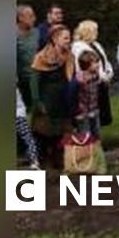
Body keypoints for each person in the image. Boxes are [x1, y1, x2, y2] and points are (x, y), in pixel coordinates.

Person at [30, 24, 74, 169]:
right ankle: (44, 162)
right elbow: (35, 82)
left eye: (69, 38)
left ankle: (59, 159)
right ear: (55, 39)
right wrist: (37, 101)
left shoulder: (69, 56)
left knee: (62, 131)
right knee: (45, 132)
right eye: (65, 38)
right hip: (47, 98)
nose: (69, 40)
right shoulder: (41, 57)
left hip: (63, 97)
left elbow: (69, 76)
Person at [71, 19, 114, 127]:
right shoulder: (79, 47)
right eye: (95, 30)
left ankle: (96, 137)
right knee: (91, 114)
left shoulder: (96, 44)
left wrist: (109, 72)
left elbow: (104, 60)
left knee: (99, 114)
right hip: (89, 83)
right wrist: (102, 76)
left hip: (101, 81)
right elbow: (86, 66)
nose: (97, 32)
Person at [71, 51, 102, 136]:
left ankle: (97, 148)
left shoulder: (96, 75)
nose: (98, 65)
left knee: (96, 132)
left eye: (97, 62)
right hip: (82, 112)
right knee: (85, 134)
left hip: (94, 109)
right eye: (95, 63)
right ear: (86, 64)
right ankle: (87, 149)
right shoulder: (79, 79)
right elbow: (73, 96)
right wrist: (76, 112)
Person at [16, 5, 39, 110]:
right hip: (21, 80)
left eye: (34, 16)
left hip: (37, 77)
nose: (34, 19)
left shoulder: (37, 33)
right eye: (30, 16)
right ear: (20, 18)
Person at [15, 89, 41, 170]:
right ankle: (34, 160)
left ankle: (34, 160)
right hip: (19, 115)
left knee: (27, 138)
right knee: (28, 138)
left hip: (18, 115)